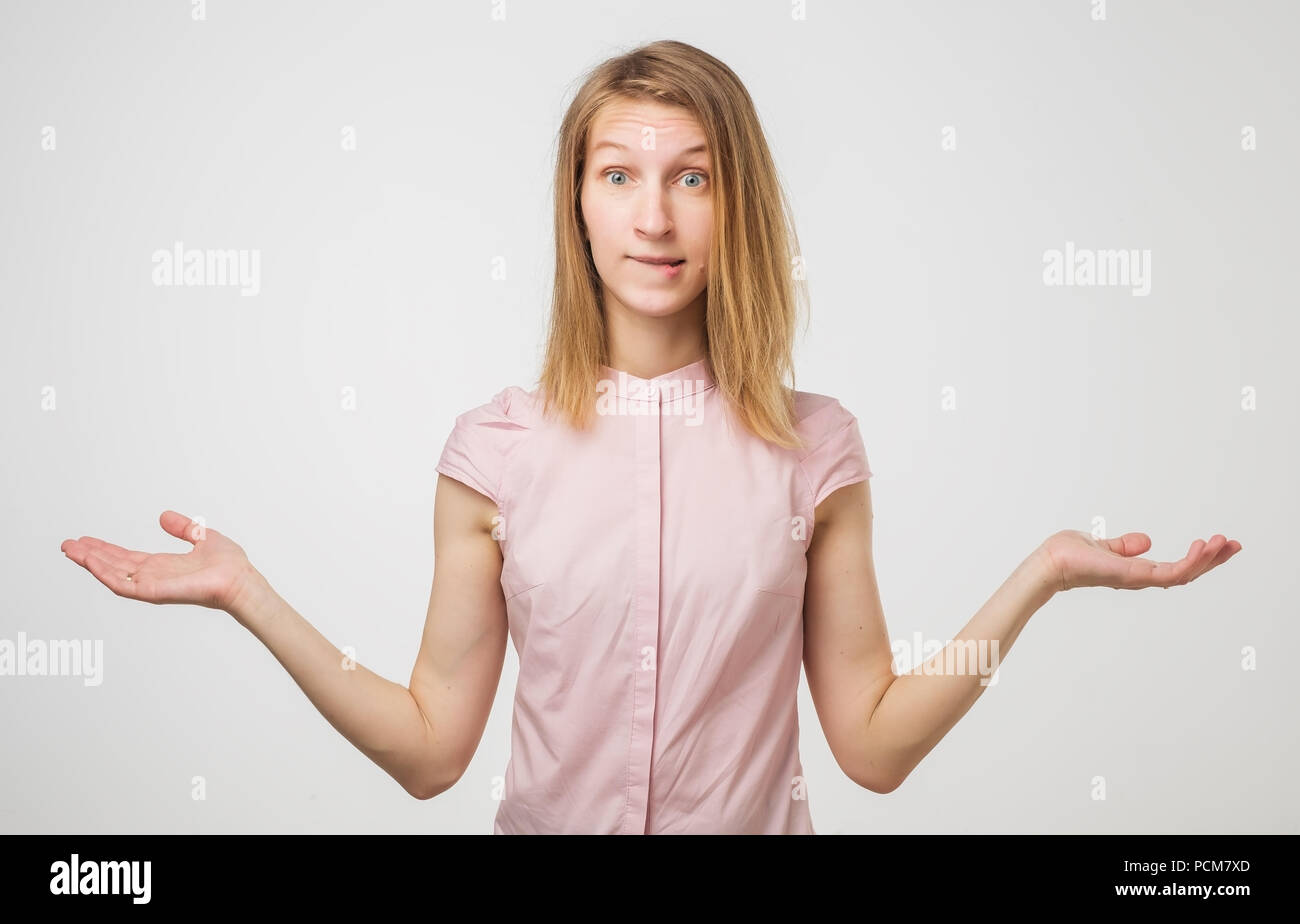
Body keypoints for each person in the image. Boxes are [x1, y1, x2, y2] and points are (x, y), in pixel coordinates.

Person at [60, 40, 1242, 834]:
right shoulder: (494, 451)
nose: (656, 215)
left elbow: (872, 746)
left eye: (693, 177)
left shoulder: (814, 447)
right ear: (577, 203)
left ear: (740, 204)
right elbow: (429, 752)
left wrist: (1036, 576)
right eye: (620, 174)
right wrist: (247, 593)